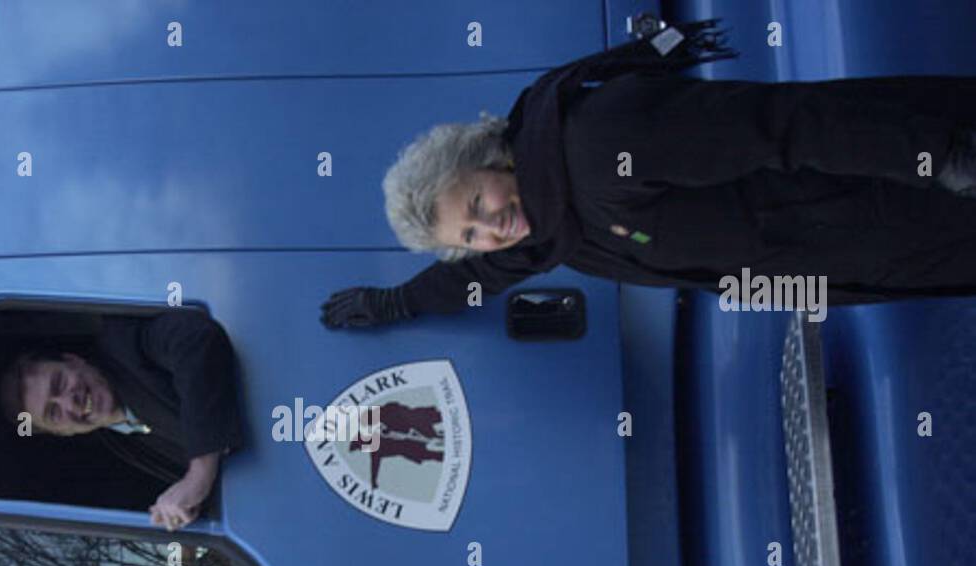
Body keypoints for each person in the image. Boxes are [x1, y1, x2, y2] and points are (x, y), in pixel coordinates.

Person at [319, 19, 976, 329]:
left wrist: (940, 155)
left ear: (490, 157)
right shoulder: (551, 230)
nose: (489, 228)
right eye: (469, 233)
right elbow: (474, 277)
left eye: (477, 202)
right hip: (863, 253)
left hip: (901, 187)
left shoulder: (598, 137)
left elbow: (786, 124)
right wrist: (394, 304)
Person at [0, 307, 243, 531]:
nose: (69, 402)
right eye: (54, 413)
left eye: (59, 383)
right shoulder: (122, 450)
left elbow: (195, 338)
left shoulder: (123, 345)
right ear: (63, 433)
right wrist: (190, 507)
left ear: (74, 360)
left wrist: (200, 472)